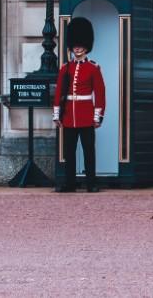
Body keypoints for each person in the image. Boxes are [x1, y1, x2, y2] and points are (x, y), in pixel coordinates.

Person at [52, 17, 106, 193]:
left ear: (86, 46)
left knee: (89, 150)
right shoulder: (65, 68)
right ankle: (70, 183)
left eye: (80, 45)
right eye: (75, 45)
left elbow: (100, 93)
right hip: (69, 116)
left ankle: (91, 183)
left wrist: (97, 116)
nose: (77, 48)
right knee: (69, 152)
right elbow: (59, 91)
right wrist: (57, 114)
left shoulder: (93, 68)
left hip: (86, 115)